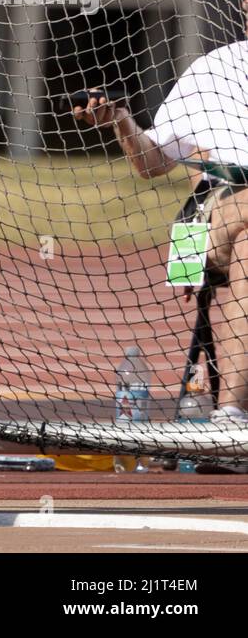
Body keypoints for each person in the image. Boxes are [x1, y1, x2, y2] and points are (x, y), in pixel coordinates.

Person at [73, 37, 248, 425]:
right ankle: (231, 418)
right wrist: (121, 118)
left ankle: (232, 415)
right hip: (219, 212)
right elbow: (153, 162)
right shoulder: (215, 67)